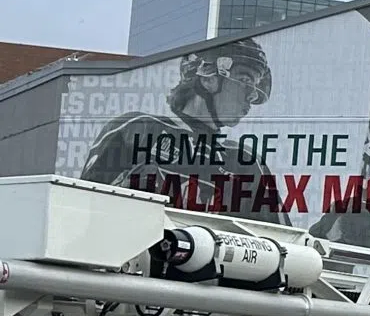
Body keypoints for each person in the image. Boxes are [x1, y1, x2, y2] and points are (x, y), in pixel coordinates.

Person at [78, 40, 286, 219]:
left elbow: (286, 245)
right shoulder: (136, 129)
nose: (251, 96)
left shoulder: (246, 162)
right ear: (208, 77)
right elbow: (81, 209)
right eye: (245, 80)